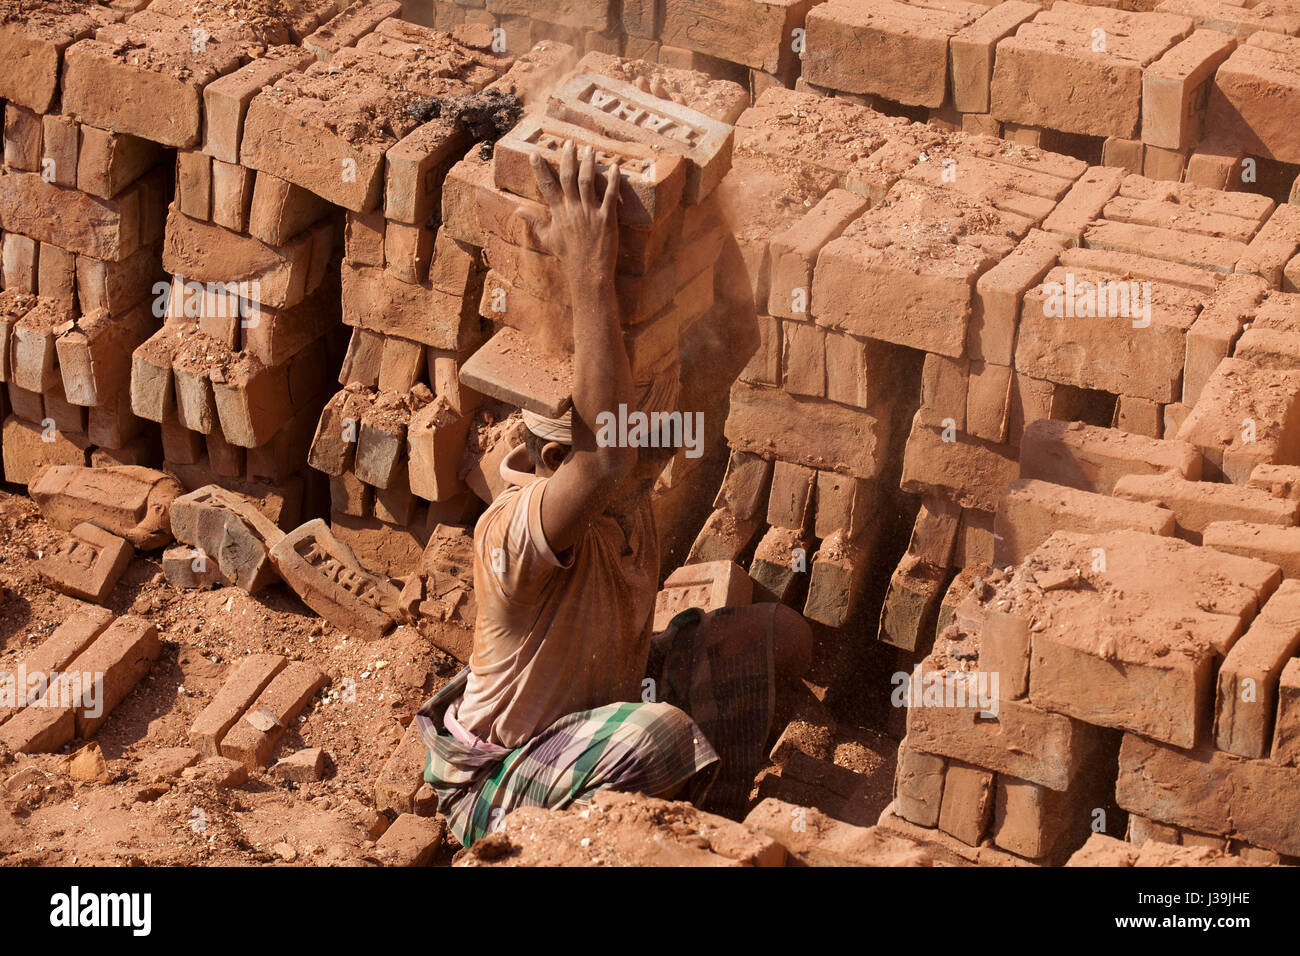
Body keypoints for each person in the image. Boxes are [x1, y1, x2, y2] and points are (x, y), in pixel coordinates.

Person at [417, 140, 801, 849]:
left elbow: (737, 336)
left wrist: (694, 209)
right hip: (499, 783)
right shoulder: (518, 527)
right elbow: (605, 455)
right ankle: (620, 839)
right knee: (658, 737)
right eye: (635, 422)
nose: (655, 442)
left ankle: (704, 808)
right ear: (556, 456)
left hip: (597, 718)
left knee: (778, 641)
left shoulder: (625, 482)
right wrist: (589, 268)